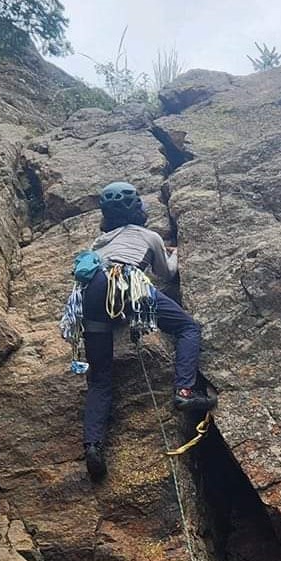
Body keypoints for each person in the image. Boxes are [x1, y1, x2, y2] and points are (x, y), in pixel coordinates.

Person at [81, 180, 205, 482]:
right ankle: (185, 391)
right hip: (125, 281)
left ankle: (93, 445)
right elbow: (167, 272)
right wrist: (175, 252)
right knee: (187, 328)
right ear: (138, 209)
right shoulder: (149, 236)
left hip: (90, 293)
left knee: (100, 379)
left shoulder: (99, 242)